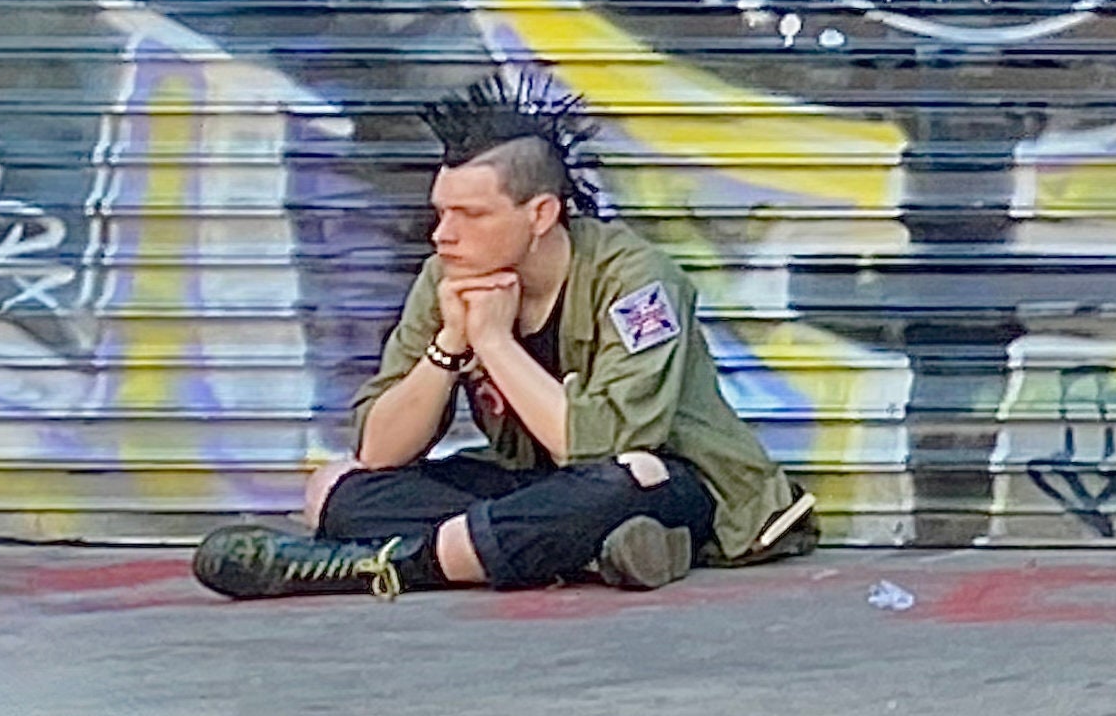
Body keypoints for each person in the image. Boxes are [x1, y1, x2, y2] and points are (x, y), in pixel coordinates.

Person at [193, 69, 816, 600]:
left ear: (540, 214)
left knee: (622, 484)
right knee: (338, 491)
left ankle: (386, 568)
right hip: (537, 487)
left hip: (670, 482)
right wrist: (449, 348)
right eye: (441, 211)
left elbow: (599, 446)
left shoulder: (637, 280)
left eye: (471, 215)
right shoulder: (449, 274)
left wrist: (494, 343)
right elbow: (380, 448)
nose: (443, 234)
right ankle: (572, 553)